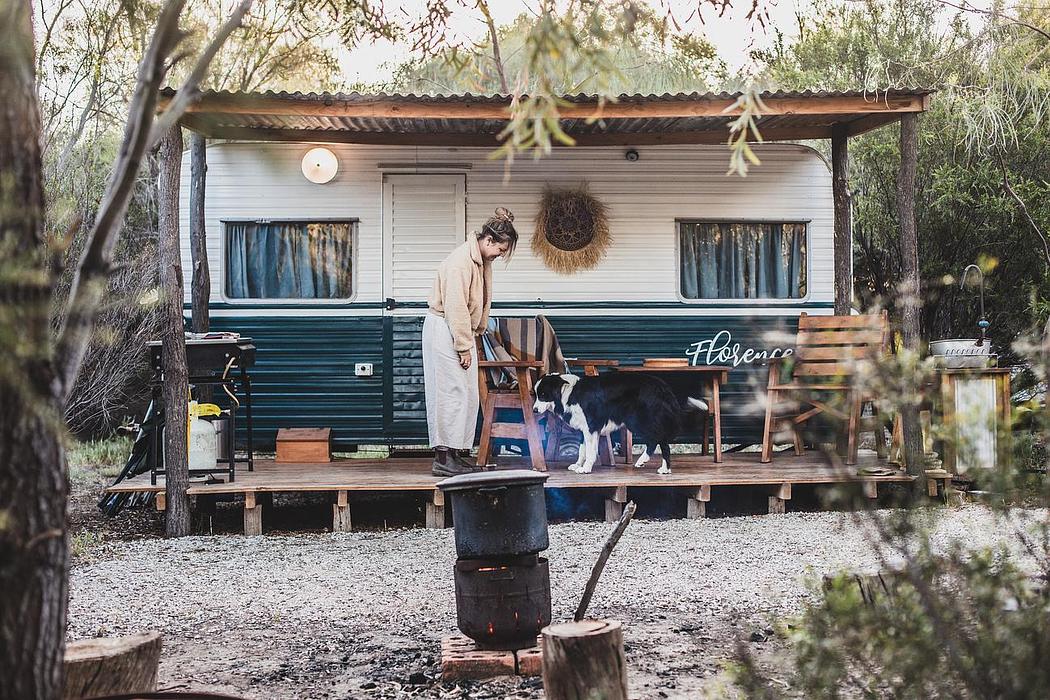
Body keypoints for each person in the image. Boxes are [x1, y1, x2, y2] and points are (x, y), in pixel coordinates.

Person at [423, 207, 518, 477]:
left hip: (460, 330)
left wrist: (472, 337)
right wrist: (464, 346)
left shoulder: (480, 261)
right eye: (501, 249)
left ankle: (455, 453)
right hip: (446, 329)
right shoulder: (460, 262)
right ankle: (443, 457)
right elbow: (456, 307)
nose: (500, 255)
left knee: (466, 394)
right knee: (449, 392)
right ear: (488, 241)